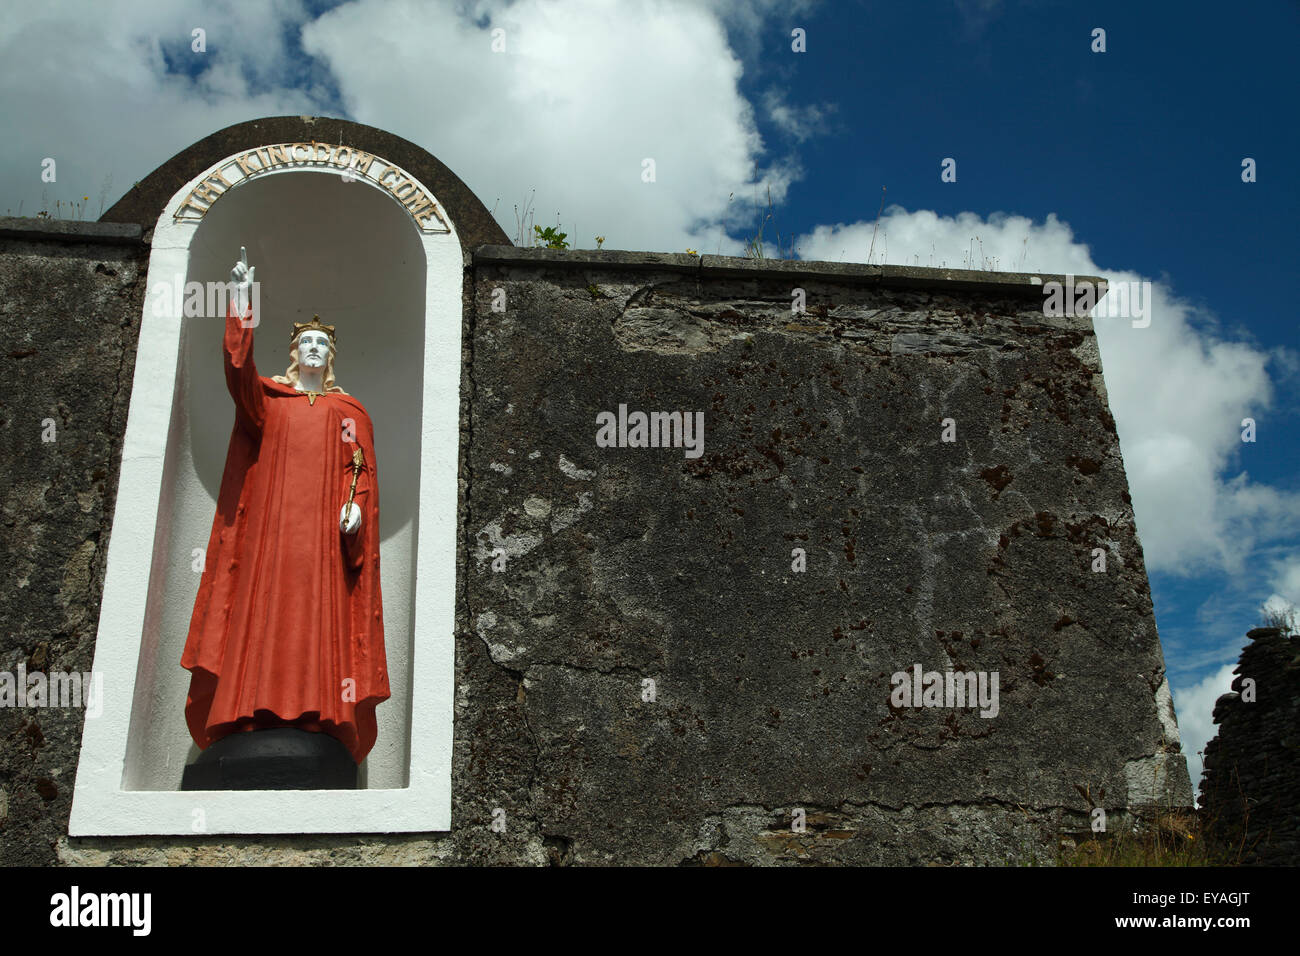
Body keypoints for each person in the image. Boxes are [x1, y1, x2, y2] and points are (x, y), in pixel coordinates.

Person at [181, 247, 389, 765]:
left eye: (322, 342)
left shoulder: (347, 409)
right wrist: (242, 308)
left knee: (320, 618)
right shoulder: (270, 401)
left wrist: (356, 508)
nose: (314, 348)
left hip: (323, 542)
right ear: (294, 353)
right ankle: (247, 712)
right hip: (268, 539)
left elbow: (359, 467)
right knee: (261, 615)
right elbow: (237, 373)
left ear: (331, 357)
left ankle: (323, 715)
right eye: (306, 342)